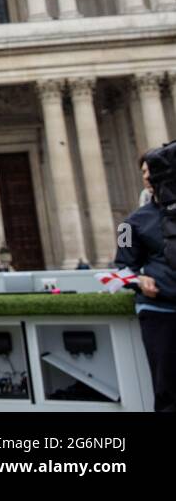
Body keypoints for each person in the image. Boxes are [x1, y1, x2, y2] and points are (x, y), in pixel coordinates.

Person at [115, 149, 176, 411]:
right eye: (144, 172)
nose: (148, 177)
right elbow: (119, 270)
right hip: (160, 311)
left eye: (152, 170)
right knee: (167, 389)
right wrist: (139, 281)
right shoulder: (129, 224)